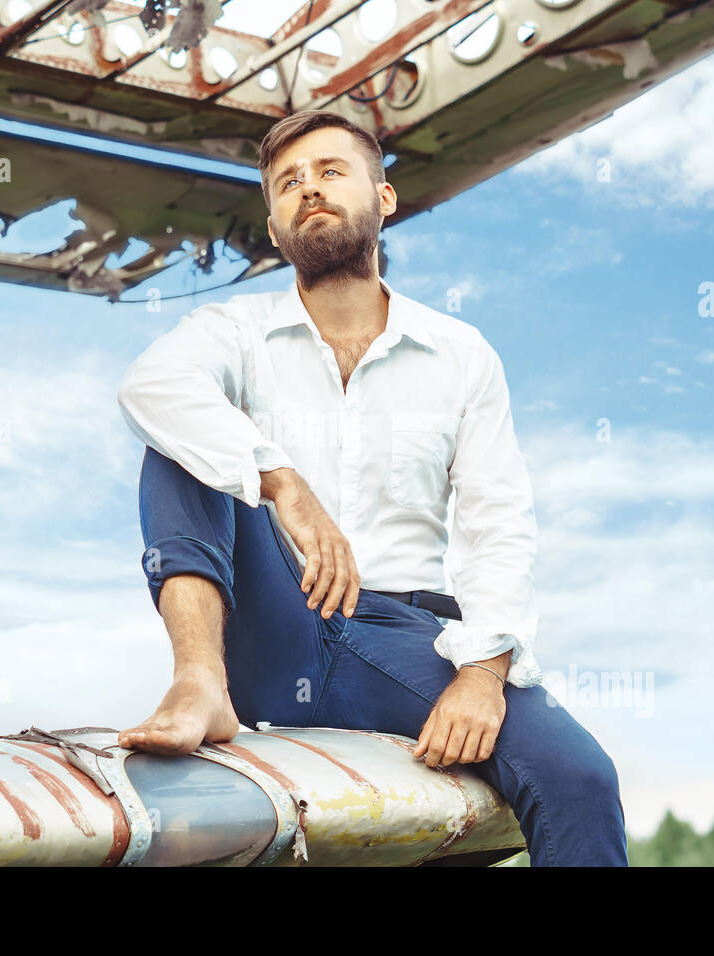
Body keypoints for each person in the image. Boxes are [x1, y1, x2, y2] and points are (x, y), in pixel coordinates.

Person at [115, 109, 628, 865]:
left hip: (406, 639)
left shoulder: (461, 354)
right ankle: (199, 684)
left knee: (580, 775)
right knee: (182, 440)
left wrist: (485, 672)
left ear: (383, 198)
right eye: (288, 183)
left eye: (329, 172)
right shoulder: (236, 330)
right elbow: (150, 385)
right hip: (272, 624)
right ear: (275, 224)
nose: (308, 190)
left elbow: (498, 523)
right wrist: (281, 480)